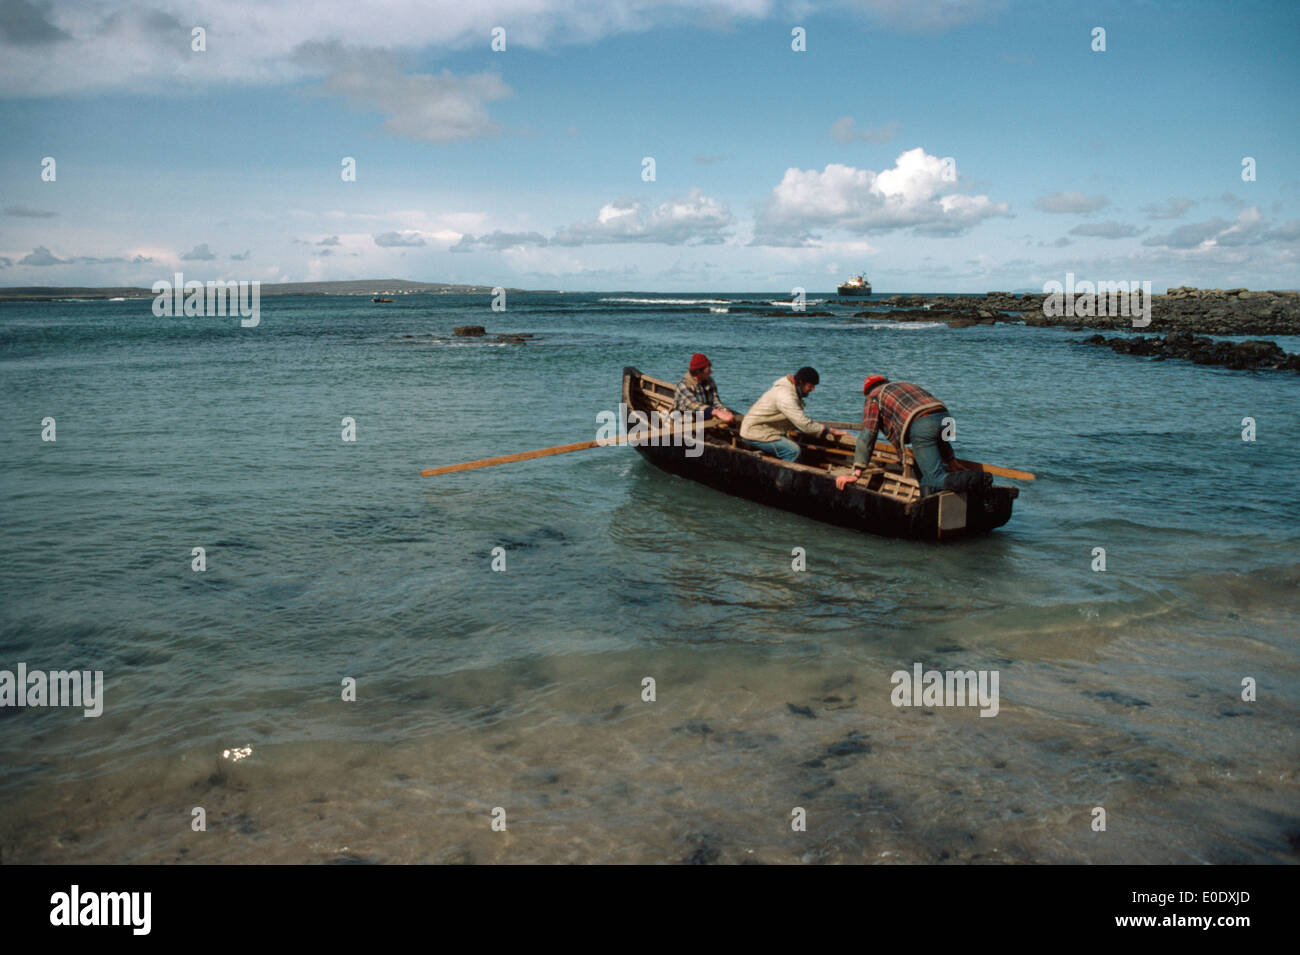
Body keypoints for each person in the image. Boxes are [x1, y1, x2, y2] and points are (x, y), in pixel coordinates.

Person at [835, 375, 990, 496]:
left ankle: (978, 478)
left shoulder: (873, 396)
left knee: (934, 479)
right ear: (885, 381)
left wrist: (856, 473)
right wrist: (951, 460)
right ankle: (928, 500)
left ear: (867, 391)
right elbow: (941, 435)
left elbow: (868, 434)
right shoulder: (903, 385)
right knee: (924, 474)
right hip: (947, 418)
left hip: (924, 423)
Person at [739, 366, 847, 461]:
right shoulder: (786, 396)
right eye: (810, 386)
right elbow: (803, 424)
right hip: (754, 432)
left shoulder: (791, 390)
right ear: (800, 383)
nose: (813, 389)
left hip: (763, 429)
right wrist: (830, 430)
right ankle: (782, 482)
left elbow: (801, 421)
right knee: (793, 451)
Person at [673, 353, 737, 425]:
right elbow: (693, 405)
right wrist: (716, 412)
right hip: (685, 420)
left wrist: (723, 410)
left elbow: (716, 401)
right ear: (699, 372)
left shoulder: (710, 381)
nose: (711, 372)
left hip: (703, 417)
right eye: (708, 370)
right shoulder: (683, 385)